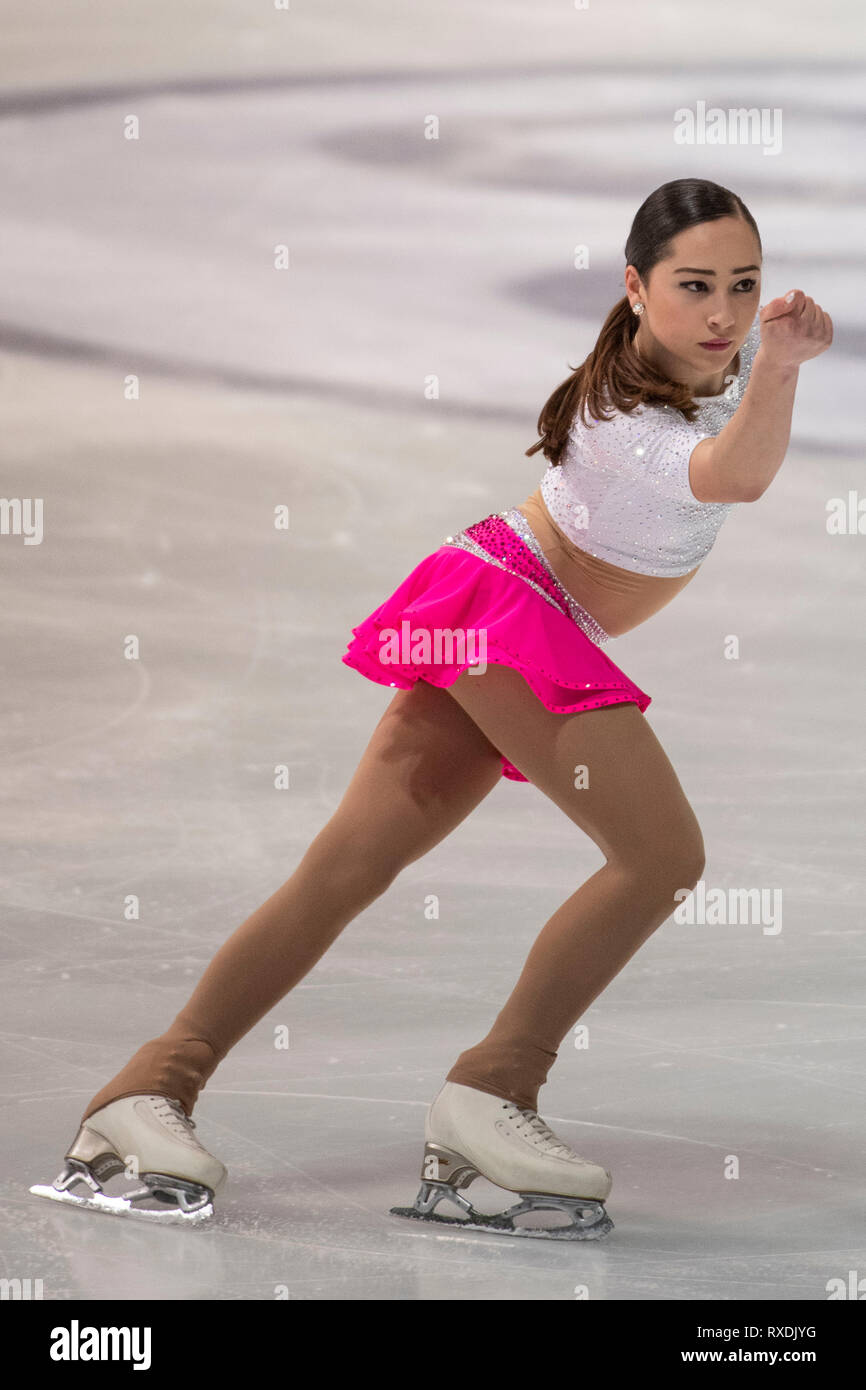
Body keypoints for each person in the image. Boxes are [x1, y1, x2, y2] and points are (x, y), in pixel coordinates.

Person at [30, 177, 832, 1239]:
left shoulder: (710, 374)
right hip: (507, 612)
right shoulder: (623, 413)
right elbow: (732, 478)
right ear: (636, 289)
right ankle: (493, 1089)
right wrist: (778, 366)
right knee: (658, 854)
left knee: (347, 864)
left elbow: (735, 434)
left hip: (482, 601)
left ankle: (146, 1086)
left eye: (743, 285)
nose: (723, 313)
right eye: (694, 287)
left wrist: (760, 366)